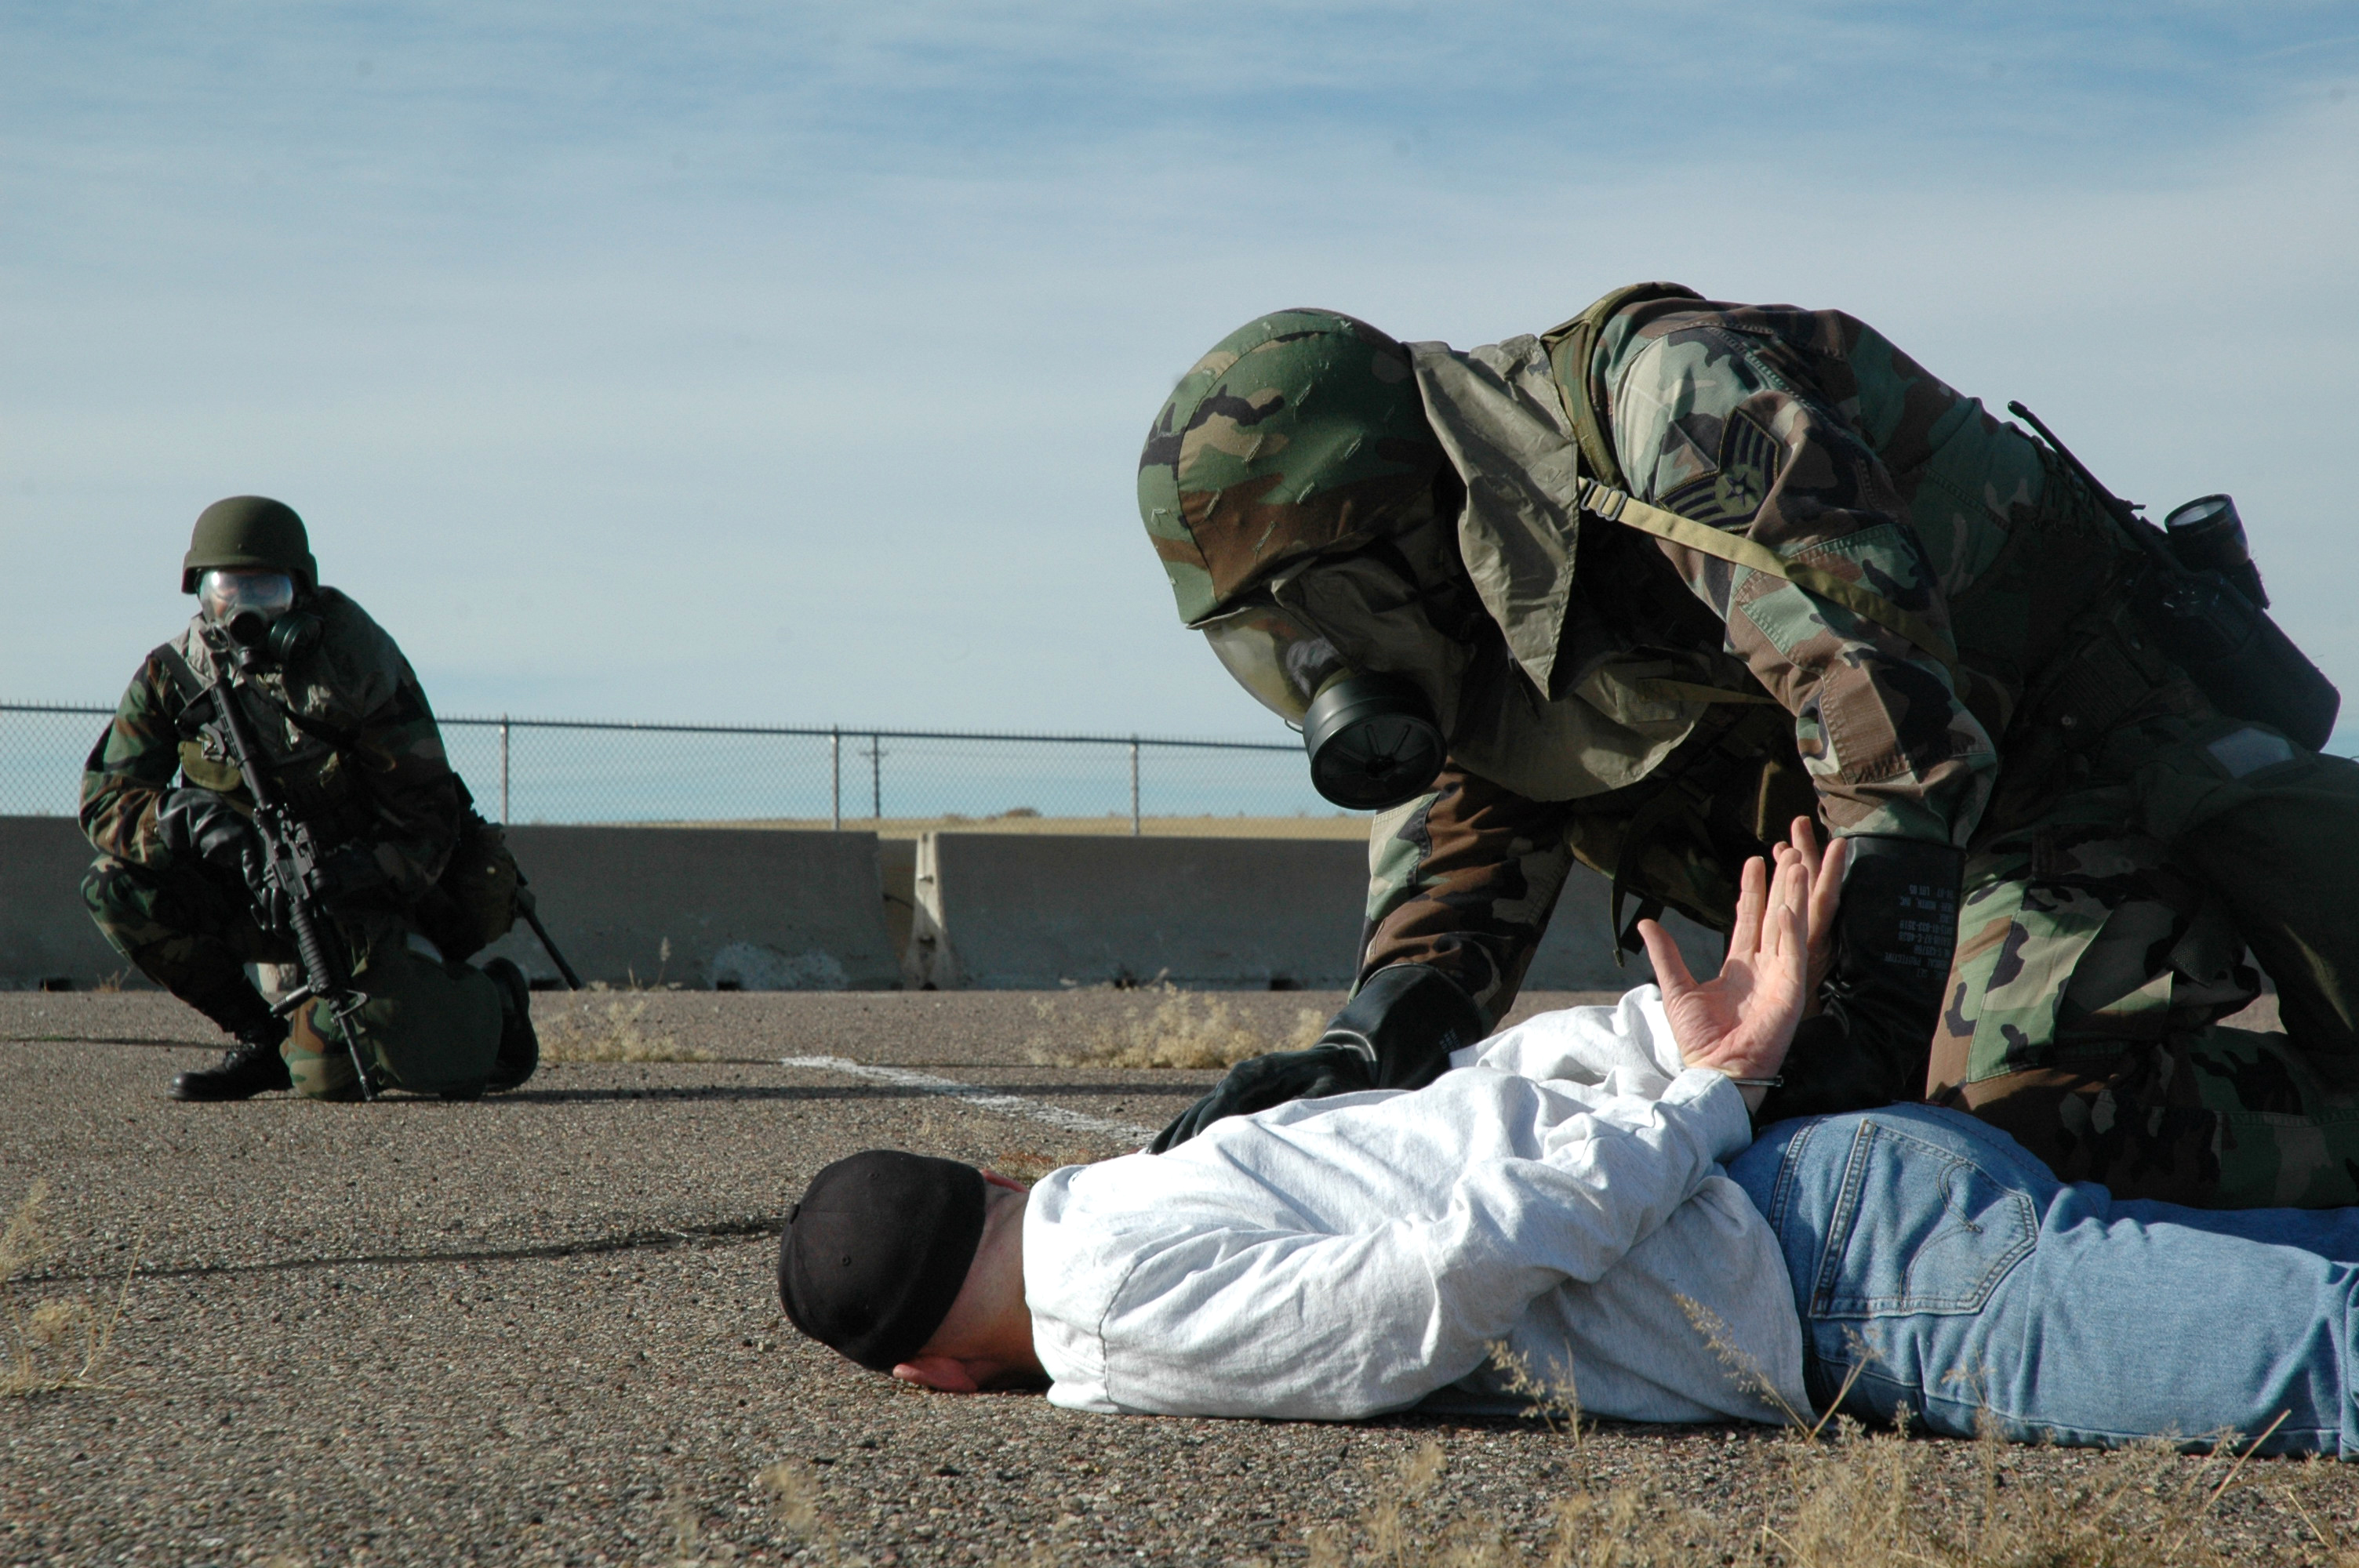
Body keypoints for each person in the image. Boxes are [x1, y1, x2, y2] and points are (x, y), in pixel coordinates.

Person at [1131, 286, 2359, 1207]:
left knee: (1978, 1133)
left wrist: (1866, 1031)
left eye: (1332, 613)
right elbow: (1472, 811)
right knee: (1829, 1140)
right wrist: (1368, 1042)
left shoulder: (1668, 407)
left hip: (2082, 754)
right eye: (1276, 643)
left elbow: (1878, 697)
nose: (1325, 667)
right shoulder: (1453, 602)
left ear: (1405, 513)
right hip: (1922, 835)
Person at [780, 840, 2359, 1454]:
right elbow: (1475, 1110)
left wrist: (1711, 1083)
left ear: (937, 1374)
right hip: (1847, 1196)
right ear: (989, 1176)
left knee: (2323, 1363)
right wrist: (1674, 1055)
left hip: (1843, 1276)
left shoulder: (1109, 1312)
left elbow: (1433, 1282)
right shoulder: (1164, 1172)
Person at [79, 495, 538, 1102]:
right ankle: (260, 1039)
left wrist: (349, 872)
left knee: (369, 1074)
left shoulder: (359, 666)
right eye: (225, 591)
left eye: (265, 592)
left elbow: (429, 823)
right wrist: (180, 819)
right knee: (113, 886)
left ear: (301, 591)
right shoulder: (174, 678)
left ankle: (497, 1000)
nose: (244, 611)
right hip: (253, 891)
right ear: (199, 594)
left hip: (370, 899)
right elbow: (105, 799)